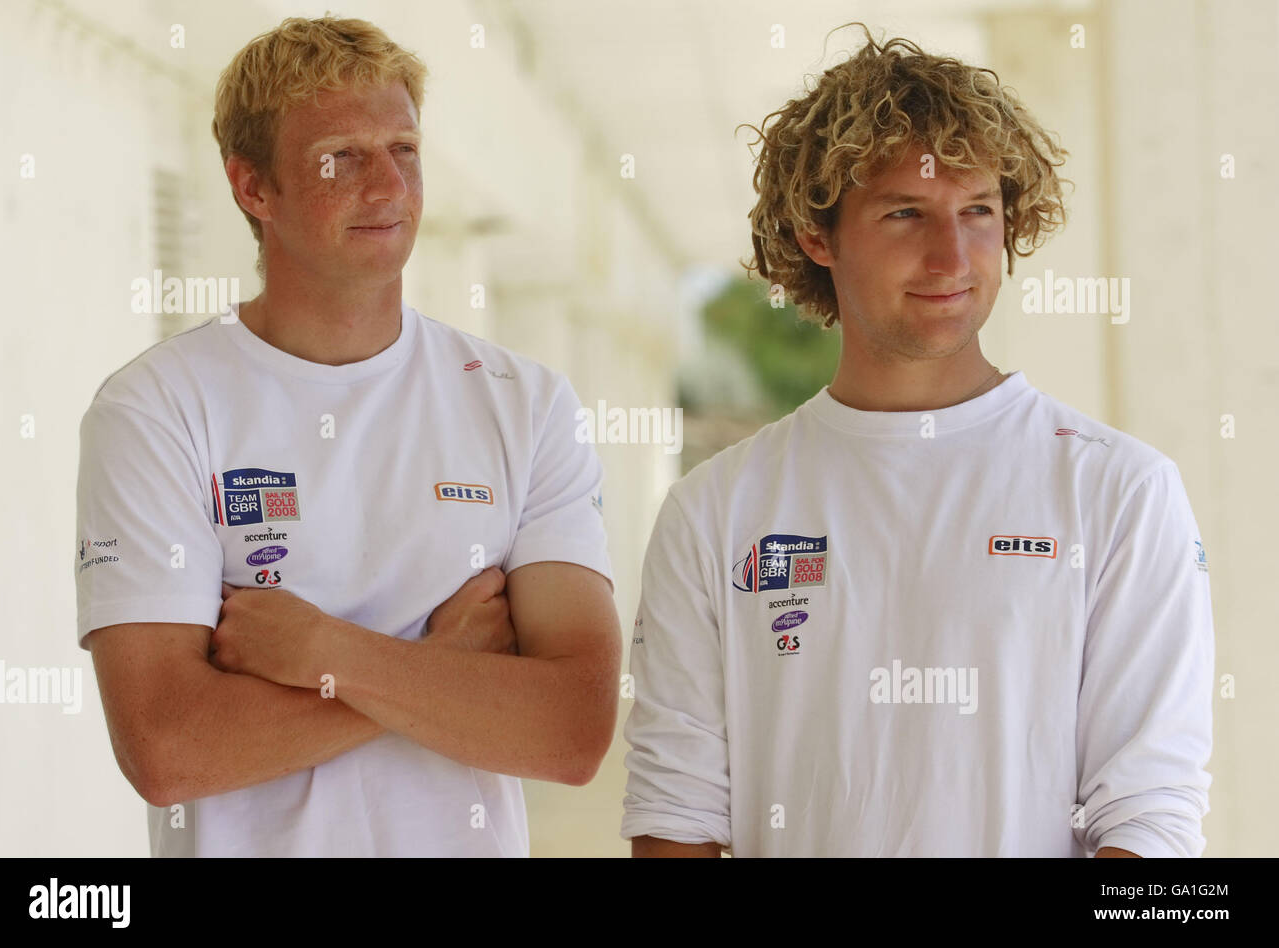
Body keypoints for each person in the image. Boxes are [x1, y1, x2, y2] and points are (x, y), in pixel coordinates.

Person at [620, 24, 1213, 858]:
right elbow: (675, 818)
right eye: (906, 213)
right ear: (814, 237)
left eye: (978, 211)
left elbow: (1152, 819)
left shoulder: (1121, 492)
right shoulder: (713, 513)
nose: (953, 254)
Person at [75, 15, 621, 857]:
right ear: (252, 187)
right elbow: (168, 748)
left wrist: (327, 652)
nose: (389, 188)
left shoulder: (525, 403)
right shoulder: (156, 410)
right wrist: (446, 667)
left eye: (403, 150)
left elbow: (574, 729)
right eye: (343, 157)